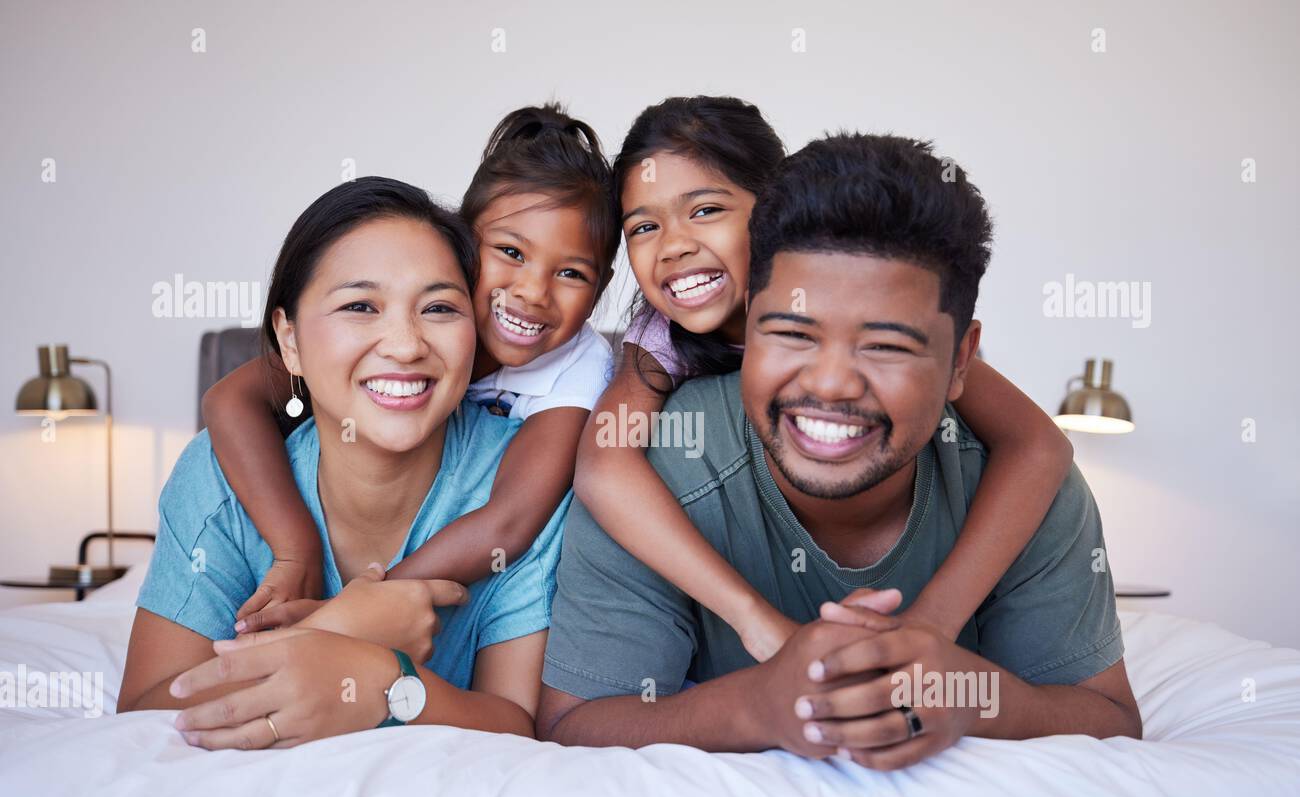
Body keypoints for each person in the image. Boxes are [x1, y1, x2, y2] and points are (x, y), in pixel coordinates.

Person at [539, 133, 1142, 769]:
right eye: (792, 334)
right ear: (752, 314)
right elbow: (574, 724)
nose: (830, 384)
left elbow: (1108, 717)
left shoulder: (1018, 482)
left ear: (961, 359)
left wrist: (973, 695)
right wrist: (761, 705)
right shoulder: (657, 466)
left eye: (886, 346)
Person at [575, 96, 1074, 662]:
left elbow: (1039, 445)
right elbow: (603, 465)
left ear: (771, 213)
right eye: (643, 226)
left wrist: (935, 621)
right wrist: (752, 618)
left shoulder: (890, 319)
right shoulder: (658, 340)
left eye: (706, 210)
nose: (673, 245)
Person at [118, 177, 568, 749]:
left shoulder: (520, 480)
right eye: (360, 306)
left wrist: (383, 681)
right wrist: (339, 630)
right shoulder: (217, 478)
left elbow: (516, 726)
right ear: (290, 341)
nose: (405, 345)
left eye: (439, 308)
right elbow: (144, 713)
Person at [199, 104, 617, 634]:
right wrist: (295, 549)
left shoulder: (578, 367)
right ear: (461, 246)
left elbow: (508, 522)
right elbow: (228, 400)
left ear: (600, 289)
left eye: (572, 273)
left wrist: (361, 609)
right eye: (511, 251)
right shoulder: (380, 341)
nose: (534, 292)